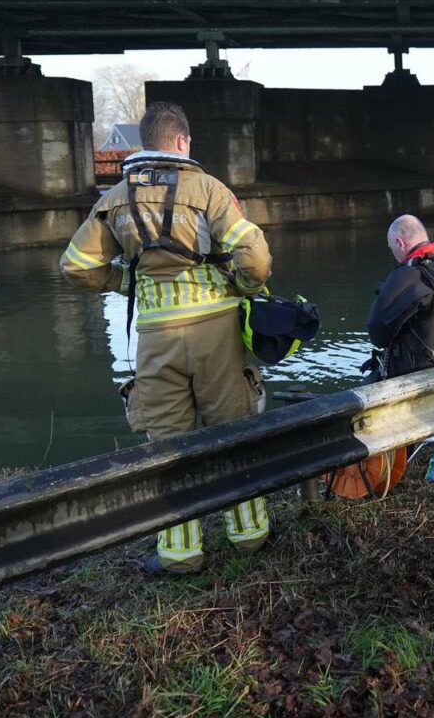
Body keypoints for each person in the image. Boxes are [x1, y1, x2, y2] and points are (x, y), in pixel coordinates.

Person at [60, 101, 274, 576]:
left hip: (155, 338)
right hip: (216, 331)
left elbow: (74, 266)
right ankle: (250, 535)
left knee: (167, 444)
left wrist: (124, 283)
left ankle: (180, 554)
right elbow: (254, 255)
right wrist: (246, 288)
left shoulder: (115, 198)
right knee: (233, 432)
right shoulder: (210, 190)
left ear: (145, 142)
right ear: (181, 142)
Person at [366, 215, 434, 379]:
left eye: (392, 248)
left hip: (420, 374)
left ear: (399, 243)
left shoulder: (409, 276)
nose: (394, 254)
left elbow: (377, 333)